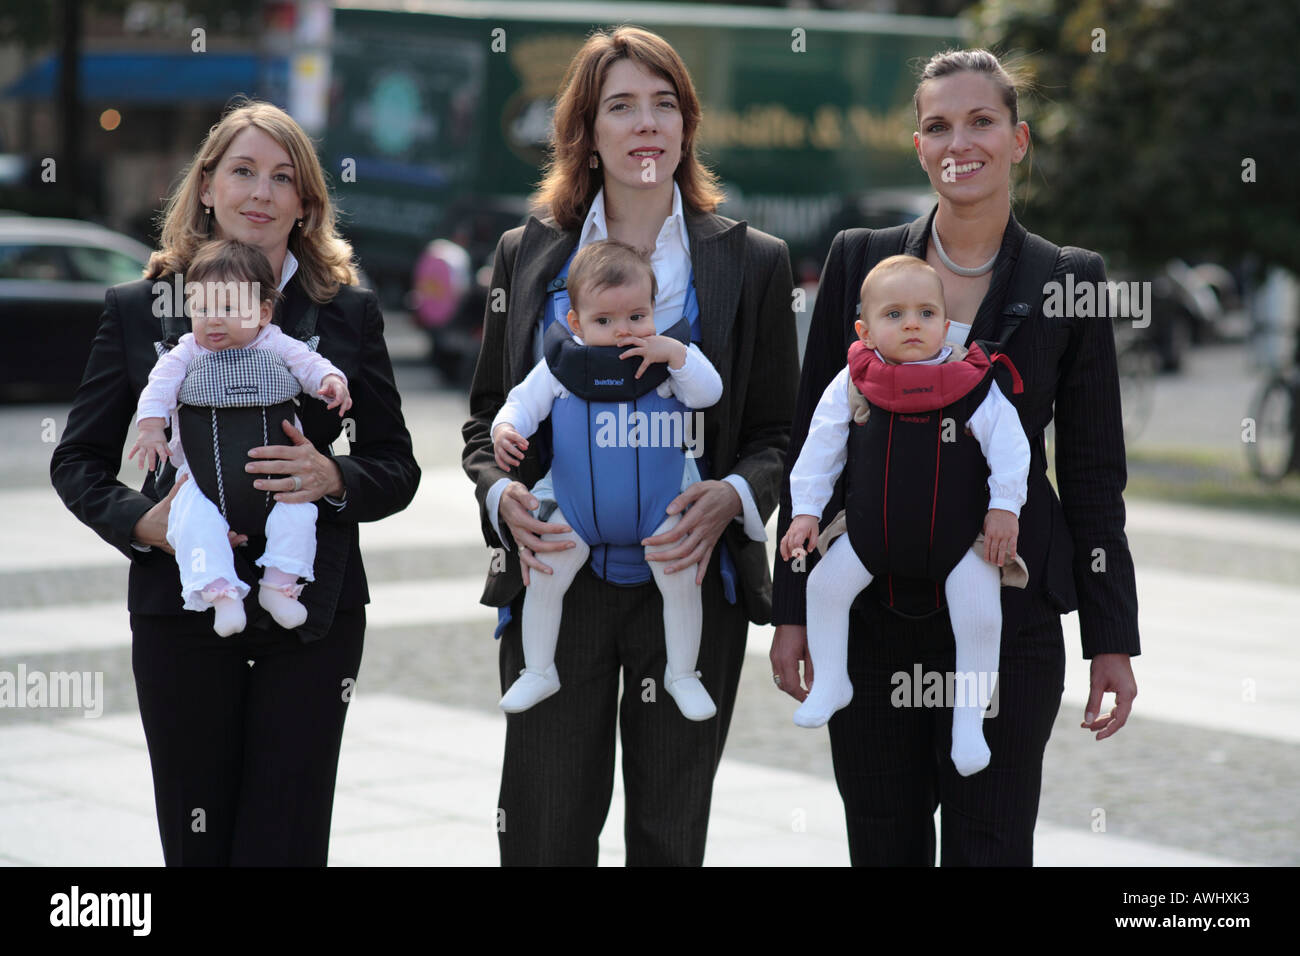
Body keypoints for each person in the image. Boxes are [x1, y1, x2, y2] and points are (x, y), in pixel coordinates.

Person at [771, 49, 1140, 865]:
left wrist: (1111, 636)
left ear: (1019, 139)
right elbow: (814, 443)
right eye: (937, 125)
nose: (958, 141)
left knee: (991, 846)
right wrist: (794, 607)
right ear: (916, 144)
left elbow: (1089, 473)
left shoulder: (1069, 280)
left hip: (1008, 618)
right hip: (871, 617)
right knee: (883, 843)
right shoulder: (859, 260)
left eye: (981, 121)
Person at [50, 100, 421, 866]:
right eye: (243, 171)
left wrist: (332, 475)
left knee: (284, 843)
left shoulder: (345, 312)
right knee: (198, 841)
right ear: (208, 187)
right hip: (179, 607)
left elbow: (397, 465)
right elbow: (76, 459)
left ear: (304, 203)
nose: (261, 192)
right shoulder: (138, 307)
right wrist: (142, 522)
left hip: (311, 617)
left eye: (283, 178)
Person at [462, 26, 797, 865]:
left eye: (664, 104)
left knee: (671, 831)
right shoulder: (527, 254)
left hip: (690, 569)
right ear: (586, 130)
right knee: (543, 828)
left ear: (686, 126)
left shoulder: (753, 262)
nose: (645, 123)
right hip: (557, 567)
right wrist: (502, 497)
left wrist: (735, 497)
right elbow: (483, 422)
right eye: (621, 106)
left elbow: (774, 433)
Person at [778, 255, 1030, 780]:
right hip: (872, 536)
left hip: (961, 541)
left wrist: (1005, 507)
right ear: (864, 331)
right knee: (824, 587)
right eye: (894, 314)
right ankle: (832, 681)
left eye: (925, 312)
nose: (912, 323)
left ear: (947, 322)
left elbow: (1012, 447)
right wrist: (803, 513)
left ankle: (968, 721)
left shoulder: (974, 383)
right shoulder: (851, 382)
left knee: (981, 615)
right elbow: (818, 449)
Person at [491, 239, 722, 719]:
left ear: (654, 310)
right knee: (547, 570)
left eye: (637, 317)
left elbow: (709, 394)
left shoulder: (667, 364)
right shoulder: (559, 367)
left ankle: (681, 673)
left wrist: (678, 353)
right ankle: (538, 668)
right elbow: (519, 403)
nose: (623, 332)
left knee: (679, 572)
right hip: (575, 507)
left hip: (662, 508)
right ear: (575, 323)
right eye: (604, 321)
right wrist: (506, 429)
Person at [129, 238, 353, 636]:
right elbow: (158, 386)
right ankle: (221, 593)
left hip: (278, 477)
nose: (214, 320)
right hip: (201, 475)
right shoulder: (187, 351)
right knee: (193, 519)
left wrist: (331, 380)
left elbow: (310, 362)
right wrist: (149, 426)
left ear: (263, 312)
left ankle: (280, 585)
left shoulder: (277, 343)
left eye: (229, 309)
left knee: (300, 513)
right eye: (202, 309)